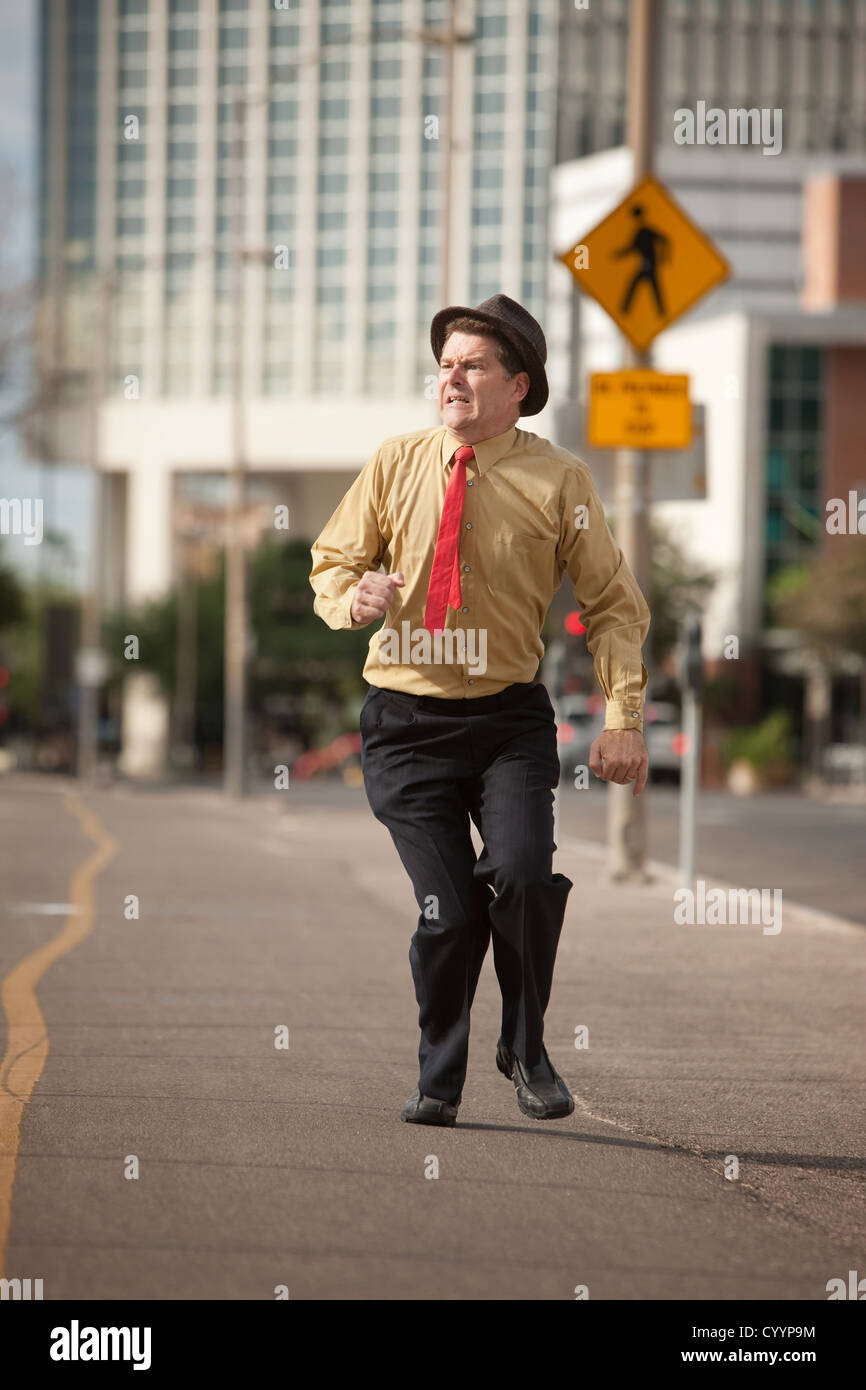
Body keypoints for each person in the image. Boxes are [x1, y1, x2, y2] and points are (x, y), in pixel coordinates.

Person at [309, 294, 650, 1127]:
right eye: (444, 365)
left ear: (516, 386)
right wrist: (357, 597)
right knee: (449, 911)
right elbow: (330, 564)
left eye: (471, 365)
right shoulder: (396, 462)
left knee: (525, 874)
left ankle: (525, 1047)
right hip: (407, 722)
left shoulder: (558, 477)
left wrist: (624, 715)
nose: (450, 378)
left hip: (508, 722)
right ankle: (440, 1072)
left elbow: (612, 601)